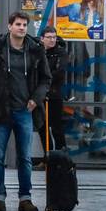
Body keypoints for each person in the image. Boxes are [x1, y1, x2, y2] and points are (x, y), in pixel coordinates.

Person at [0, 12, 51, 211]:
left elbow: (46, 79)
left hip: (24, 111)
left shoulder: (36, 50)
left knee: (25, 157)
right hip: (0, 111)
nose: (22, 28)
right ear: (10, 26)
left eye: (24, 25)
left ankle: (25, 198)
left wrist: (35, 99)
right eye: (18, 24)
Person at [39, 25, 67, 153]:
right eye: (49, 37)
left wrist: (44, 79)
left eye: (54, 37)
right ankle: (47, 156)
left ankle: (61, 157)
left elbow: (59, 72)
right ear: (42, 39)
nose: (52, 40)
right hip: (40, 95)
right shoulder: (39, 52)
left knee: (57, 127)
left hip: (54, 95)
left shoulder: (61, 52)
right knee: (42, 127)